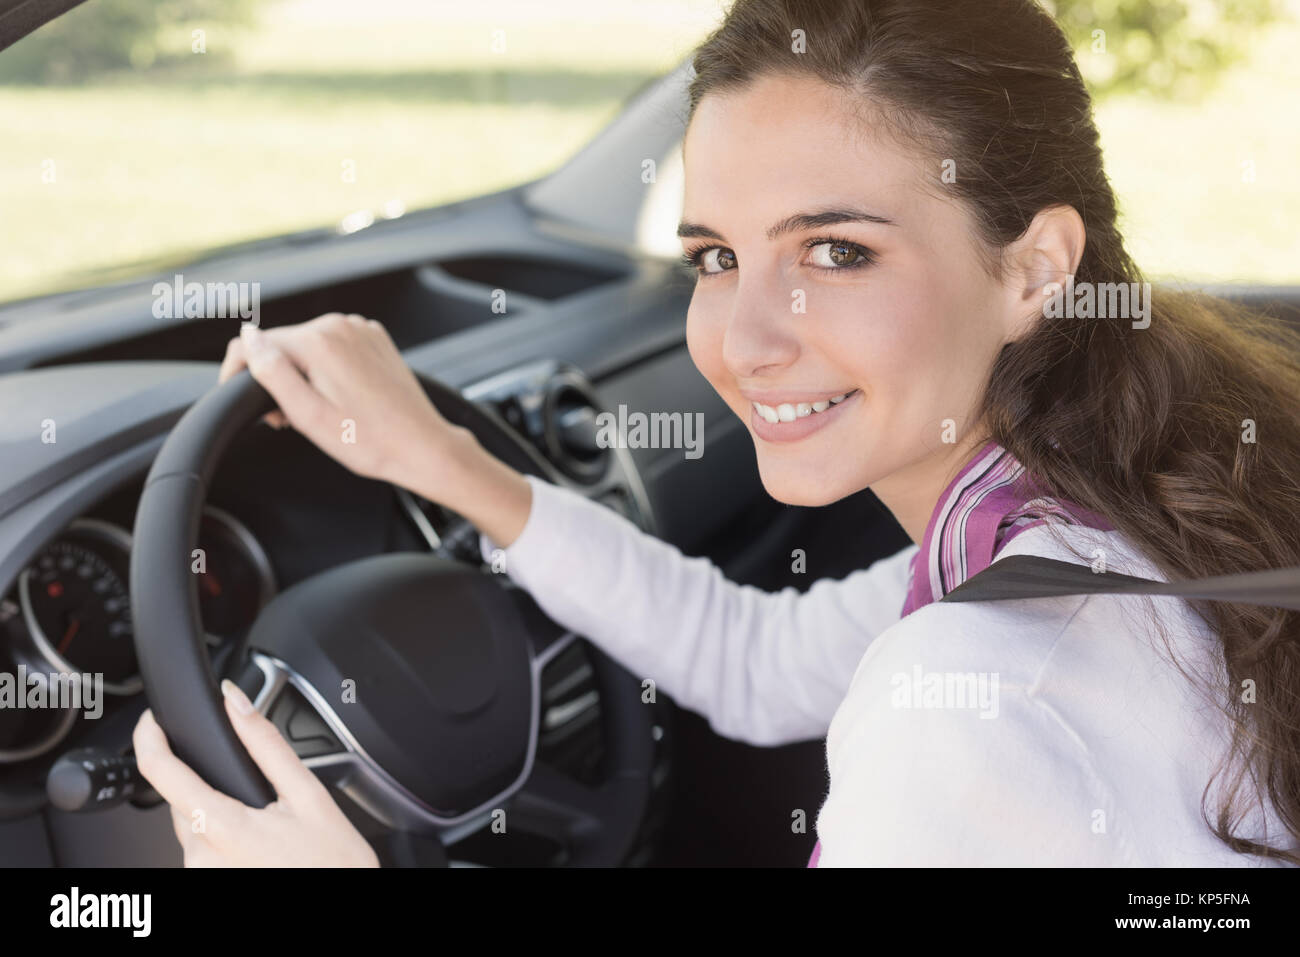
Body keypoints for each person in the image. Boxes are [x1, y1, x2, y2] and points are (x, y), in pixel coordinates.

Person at [133, 0, 1300, 866]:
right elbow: (752, 663)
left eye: (835, 251)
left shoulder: (976, 696)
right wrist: (448, 467)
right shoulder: (1111, 502)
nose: (743, 340)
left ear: (1034, 269)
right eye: (716, 258)